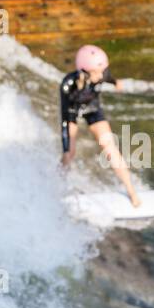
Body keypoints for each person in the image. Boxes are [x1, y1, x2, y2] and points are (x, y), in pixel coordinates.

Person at [60, 45, 141, 208]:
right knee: (69, 153)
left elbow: (109, 77)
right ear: (83, 71)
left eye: (102, 71)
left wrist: (116, 83)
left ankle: (131, 191)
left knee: (110, 147)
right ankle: (59, 183)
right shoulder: (67, 85)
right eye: (96, 73)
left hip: (93, 109)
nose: (101, 75)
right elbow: (64, 117)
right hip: (71, 112)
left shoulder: (102, 72)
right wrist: (66, 146)